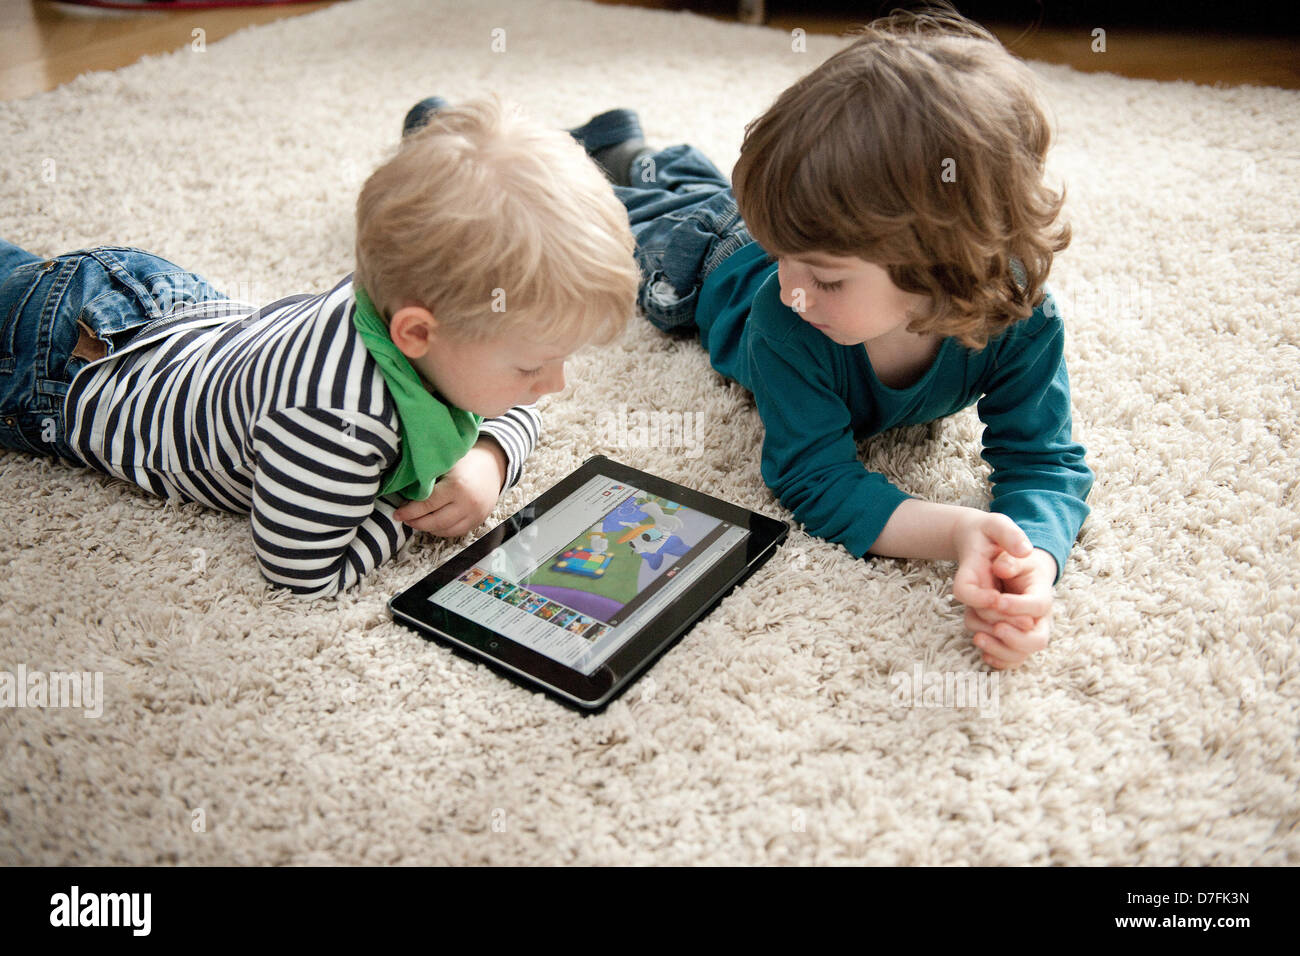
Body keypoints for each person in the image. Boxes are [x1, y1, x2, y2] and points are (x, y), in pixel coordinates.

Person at [565, 6, 1093, 670]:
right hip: (703, 267)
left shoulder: (1020, 318)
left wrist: (1033, 559)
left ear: (945, 263)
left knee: (698, 198)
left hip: (751, 235)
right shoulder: (785, 316)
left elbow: (1045, 463)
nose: (795, 290)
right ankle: (581, 157)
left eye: (828, 280)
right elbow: (812, 479)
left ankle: (637, 153)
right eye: (792, 266)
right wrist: (955, 531)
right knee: (587, 217)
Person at [0, 96, 640, 599]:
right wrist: (401, 511)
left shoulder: (426, 319)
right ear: (415, 334)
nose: (552, 386)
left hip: (164, 307)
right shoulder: (335, 420)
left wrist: (490, 460)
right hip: (66, 366)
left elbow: (500, 403)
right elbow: (300, 569)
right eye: (532, 366)